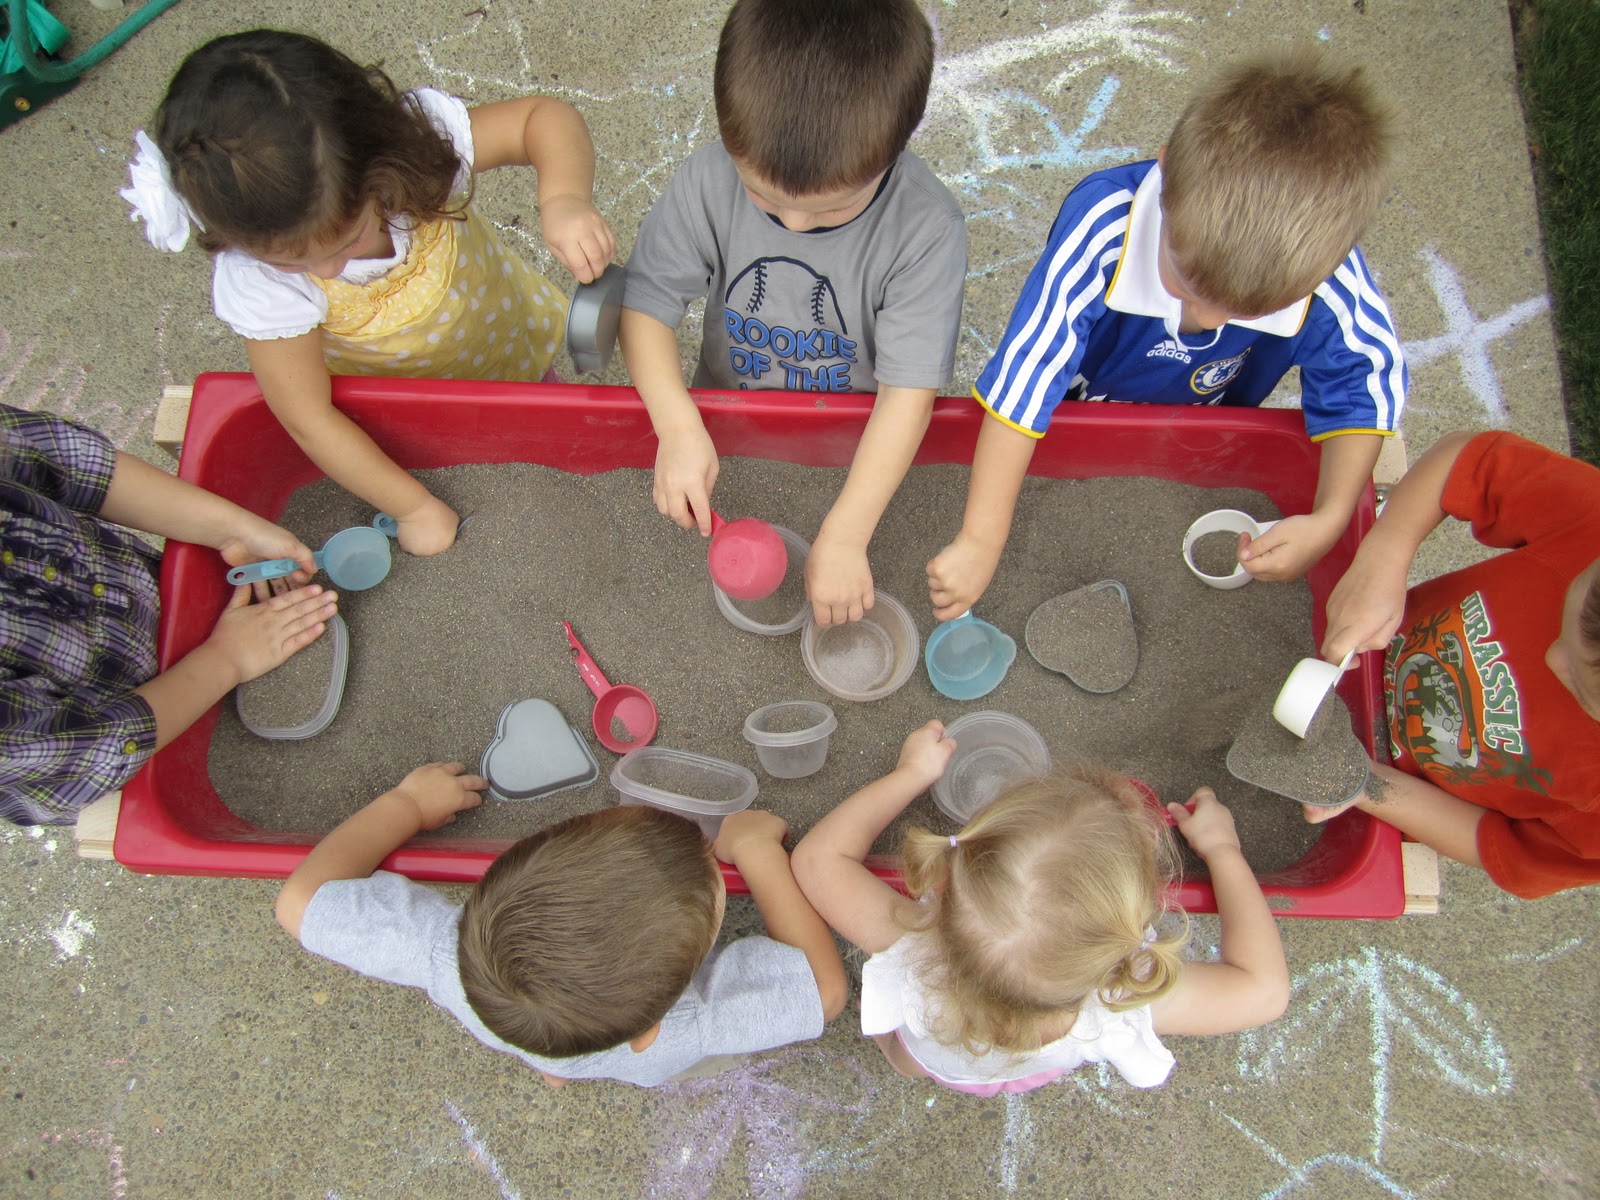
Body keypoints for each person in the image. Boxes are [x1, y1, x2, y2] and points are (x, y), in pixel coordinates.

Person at [928, 46, 1404, 620]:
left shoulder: (1328, 282)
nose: (1207, 323)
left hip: (1205, 419)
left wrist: (1329, 520)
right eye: (1187, 284)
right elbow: (1030, 373)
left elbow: (1365, 388)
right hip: (1082, 402)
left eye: (1246, 314)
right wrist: (982, 537)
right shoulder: (1106, 224)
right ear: (1166, 175)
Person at [122, 29, 616, 558]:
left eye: (349, 237)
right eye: (295, 262)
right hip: (409, 413)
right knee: (466, 443)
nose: (328, 268)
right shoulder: (259, 279)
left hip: (500, 340)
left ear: (381, 165)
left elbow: (540, 120)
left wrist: (564, 198)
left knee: (536, 414)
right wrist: (412, 506)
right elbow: (307, 418)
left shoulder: (417, 153)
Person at [621, 0, 968, 627]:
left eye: (831, 210)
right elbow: (646, 306)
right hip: (726, 411)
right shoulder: (706, 181)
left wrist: (846, 532)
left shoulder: (926, 228)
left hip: (853, 432)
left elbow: (906, 396)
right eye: (763, 198)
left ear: (896, 149)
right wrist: (677, 427)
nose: (794, 224)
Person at [791, 721, 1288, 1094]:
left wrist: (911, 774)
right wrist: (1224, 852)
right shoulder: (1120, 998)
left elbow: (818, 860)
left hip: (938, 1056)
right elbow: (1263, 991)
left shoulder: (914, 942)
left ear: (945, 877)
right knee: (996, 1071)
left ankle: (893, 1051)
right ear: (1129, 923)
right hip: (1037, 1065)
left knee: (908, 1056)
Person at [275, 768, 848, 1088]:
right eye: (711, 891)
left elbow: (298, 903)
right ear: (650, 1024)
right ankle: (566, 1063)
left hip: (531, 1030)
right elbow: (824, 993)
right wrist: (757, 853)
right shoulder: (684, 1028)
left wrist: (406, 804)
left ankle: (555, 1060)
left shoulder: (444, 953)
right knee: (647, 1061)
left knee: (549, 1046)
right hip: (639, 1058)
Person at [1, 404, 337, 825]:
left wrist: (231, 528)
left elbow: (71, 461)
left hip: (137, 587)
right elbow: (87, 749)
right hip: (123, 730)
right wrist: (227, 659)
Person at [1305, 431, 1600, 898]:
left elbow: (1499, 846)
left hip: (1401, 777)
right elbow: (1468, 461)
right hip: (1373, 635)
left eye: (1581, 689)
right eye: (1568, 615)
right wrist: (1386, 554)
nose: (1552, 657)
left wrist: (1362, 783)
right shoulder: (1593, 524)